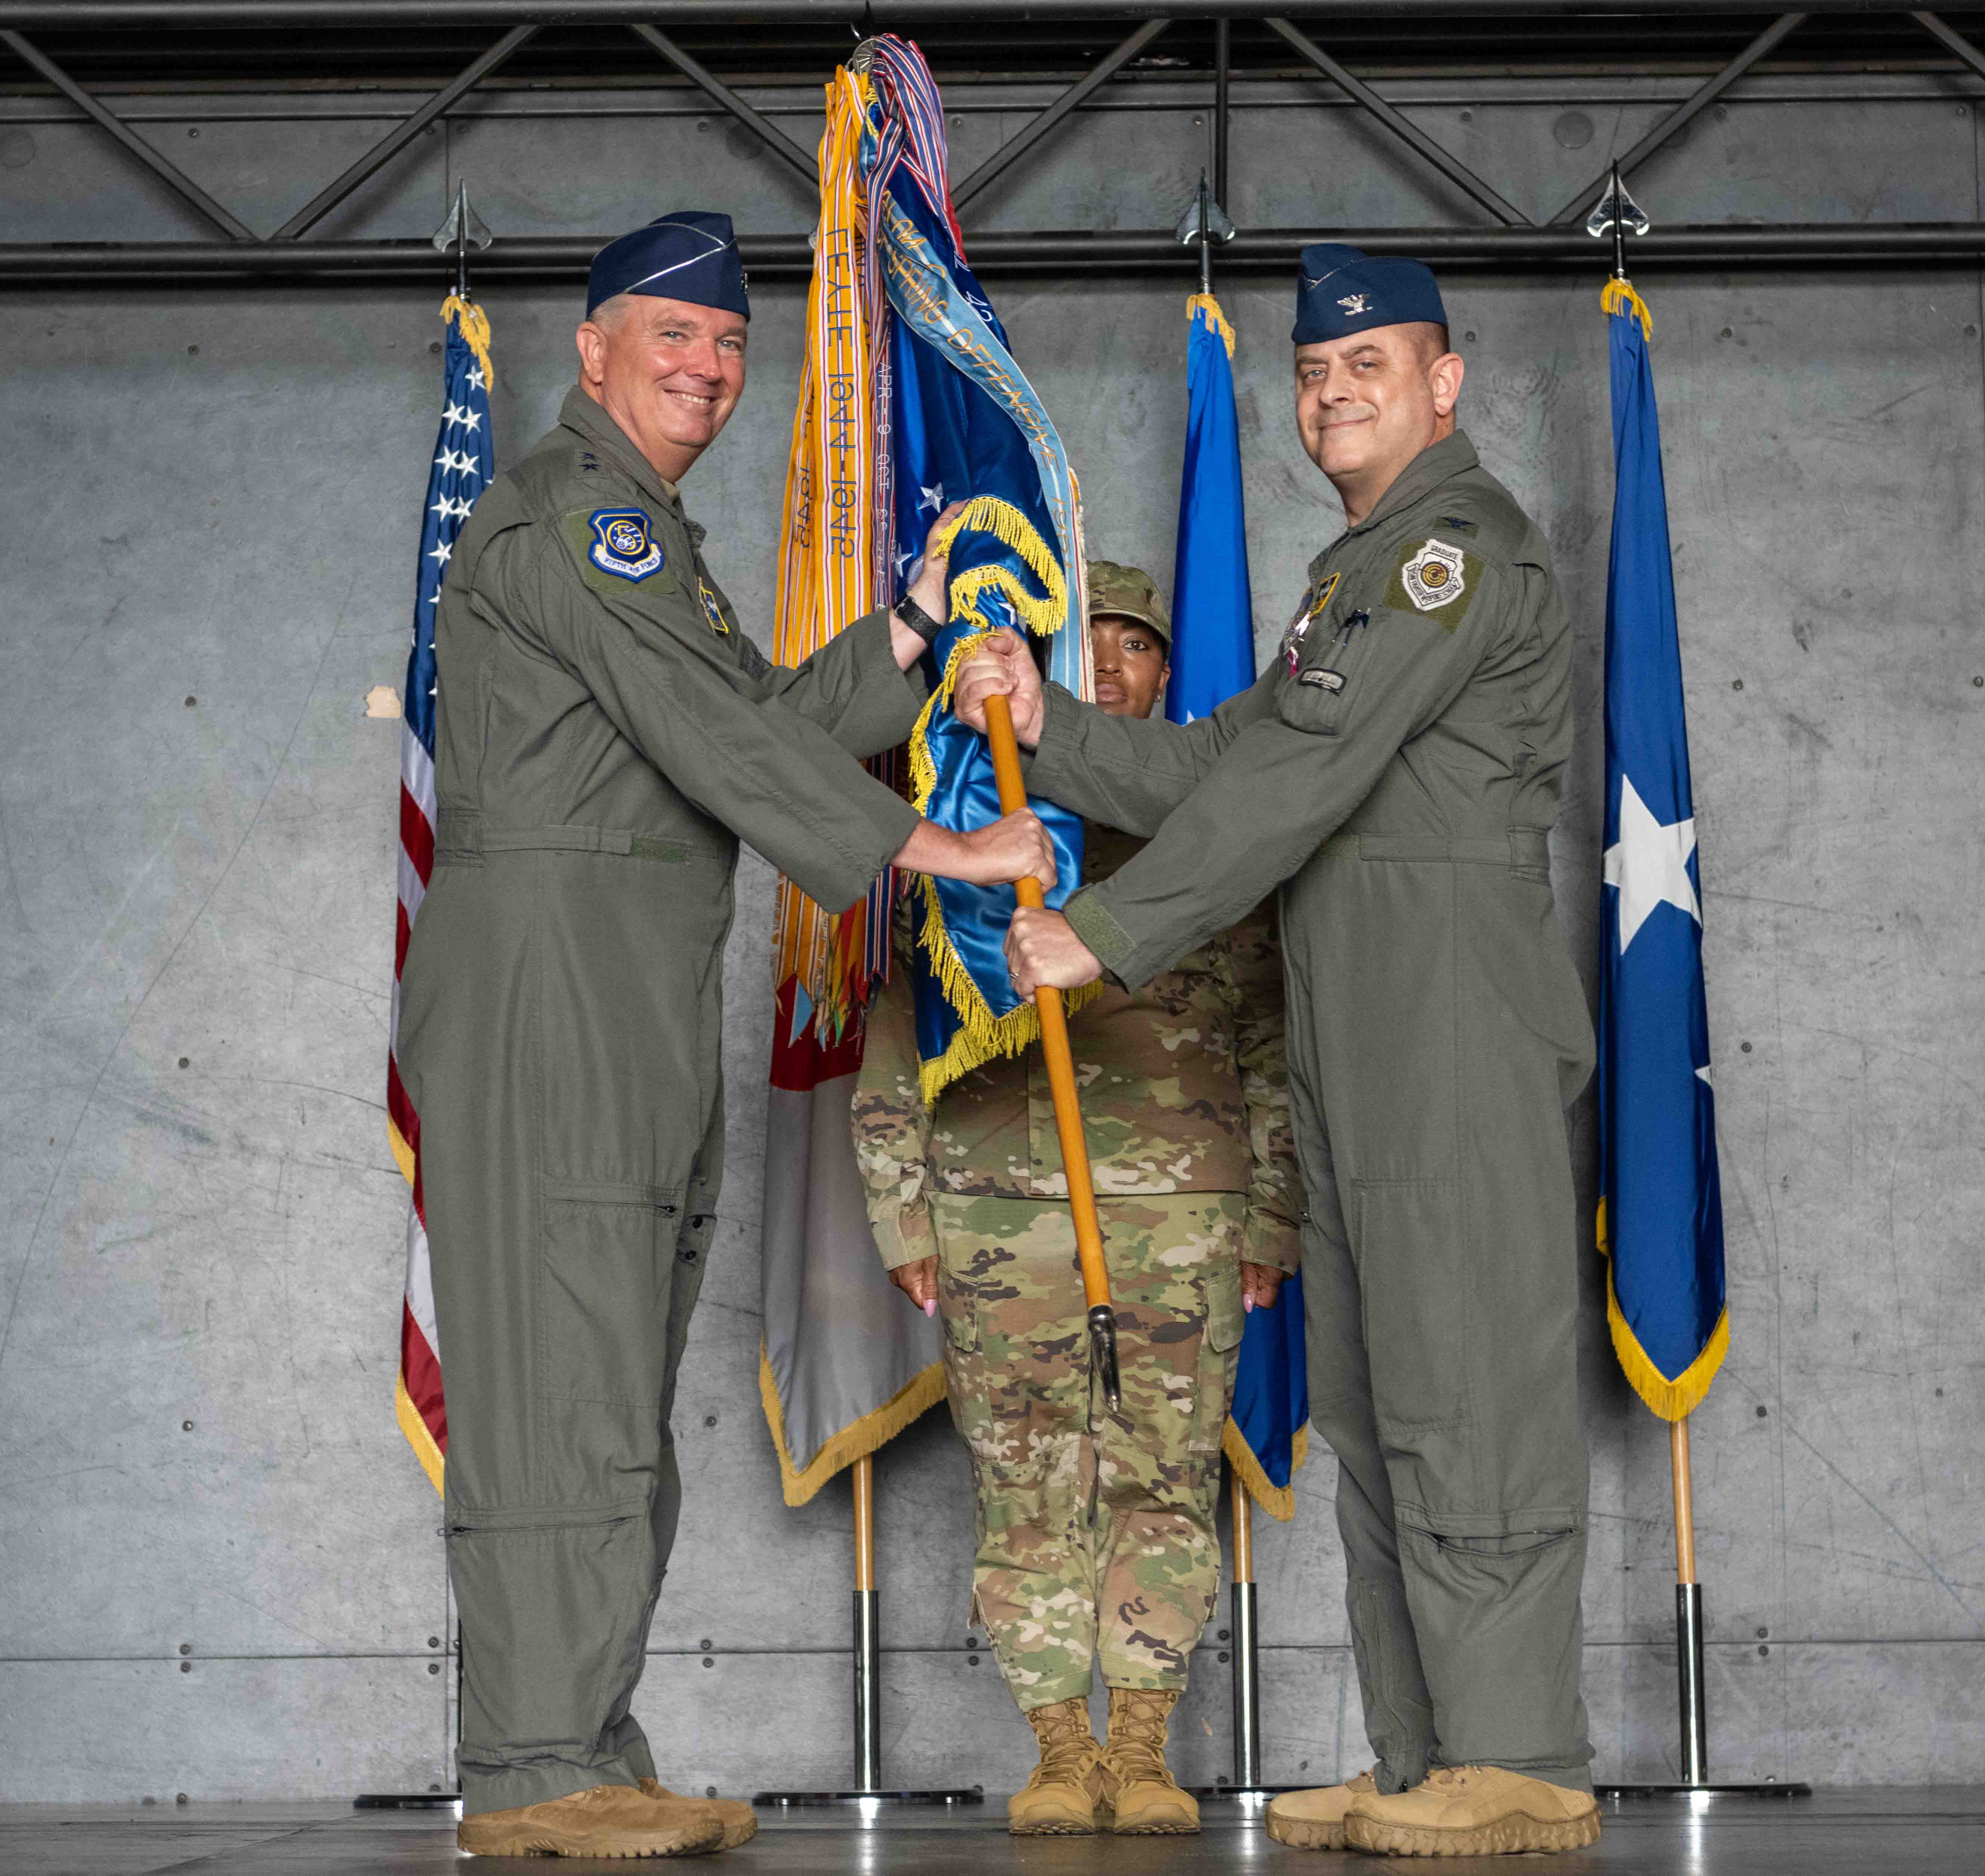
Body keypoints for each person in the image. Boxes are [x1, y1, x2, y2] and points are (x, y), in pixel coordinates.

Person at [396, 211, 1054, 1861]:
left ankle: (586, 1739)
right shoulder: (573, 522)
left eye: (730, 345)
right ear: (591, 348)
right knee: (560, 1379)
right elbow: (728, 748)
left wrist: (906, 623)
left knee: (608, 1375)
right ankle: (534, 1766)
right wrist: (942, 849)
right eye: (671, 337)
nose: (706, 367)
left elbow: (743, 727)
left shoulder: (648, 537)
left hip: (619, 989)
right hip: (551, 991)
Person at [956, 245, 1603, 1858]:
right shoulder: (1351, 577)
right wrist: (1050, 723)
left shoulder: (1451, 555)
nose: (1327, 395)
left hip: (1450, 1007)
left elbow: (1290, 781)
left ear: (1442, 383)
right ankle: (1425, 1753)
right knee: (1384, 1402)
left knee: (1470, 1381)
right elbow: (1223, 754)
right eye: (1311, 373)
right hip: (1358, 1006)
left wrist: (1102, 932)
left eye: (1364, 366)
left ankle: (1515, 1750)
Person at [852, 562, 1301, 1839]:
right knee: (1026, 1485)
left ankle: (1145, 1745)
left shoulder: (1215, 835)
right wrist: (903, 1213)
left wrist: (1274, 1214)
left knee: (1164, 1479)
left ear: (1165, 674)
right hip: (1003, 1220)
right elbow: (901, 1036)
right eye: (1082, 644)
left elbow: (1270, 1043)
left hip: (1181, 1219)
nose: (1108, 668)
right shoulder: (978, 830)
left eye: (1134, 647)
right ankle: (1059, 1747)